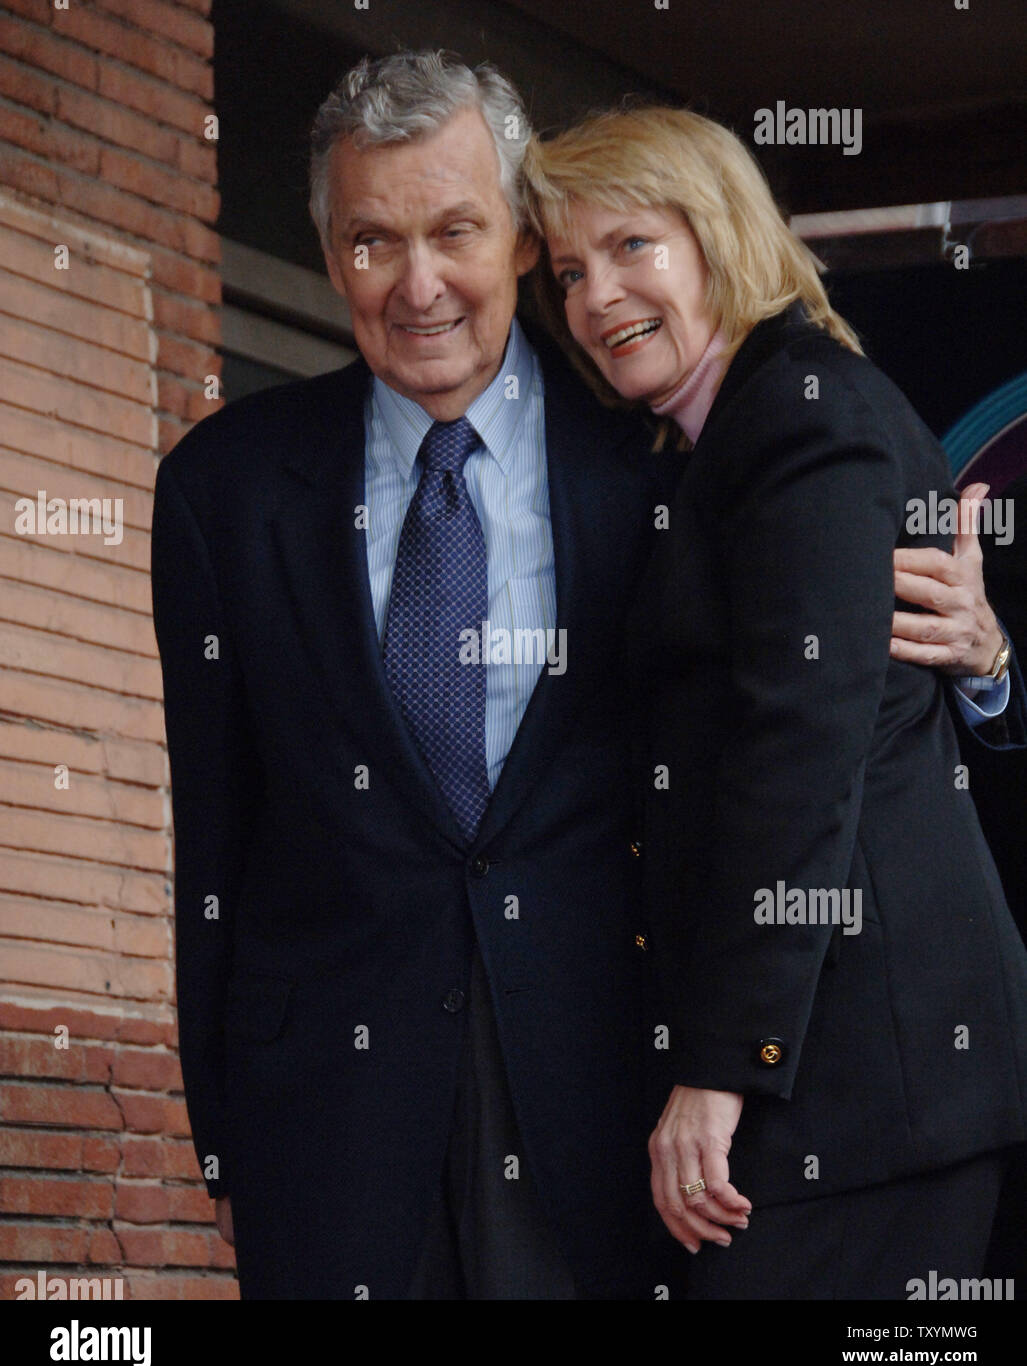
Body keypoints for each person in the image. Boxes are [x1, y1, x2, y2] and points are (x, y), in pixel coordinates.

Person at [151, 54, 1018, 1301]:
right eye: (370, 240)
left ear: (511, 239)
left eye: (456, 229)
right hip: (328, 1124)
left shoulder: (665, 444)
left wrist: (985, 659)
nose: (419, 281)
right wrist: (223, 1126)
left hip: (610, 1106)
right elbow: (216, 829)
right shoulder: (223, 491)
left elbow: (808, 722)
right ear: (331, 256)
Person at [523, 104, 1027, 1299]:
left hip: (871, 1088)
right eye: (569, 271)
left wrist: (720, 1069)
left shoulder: (808, 421)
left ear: (716, 235)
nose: (596, 296)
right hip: (837, 1092)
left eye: (632, 247)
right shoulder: (718, 443)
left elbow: (798, 758)